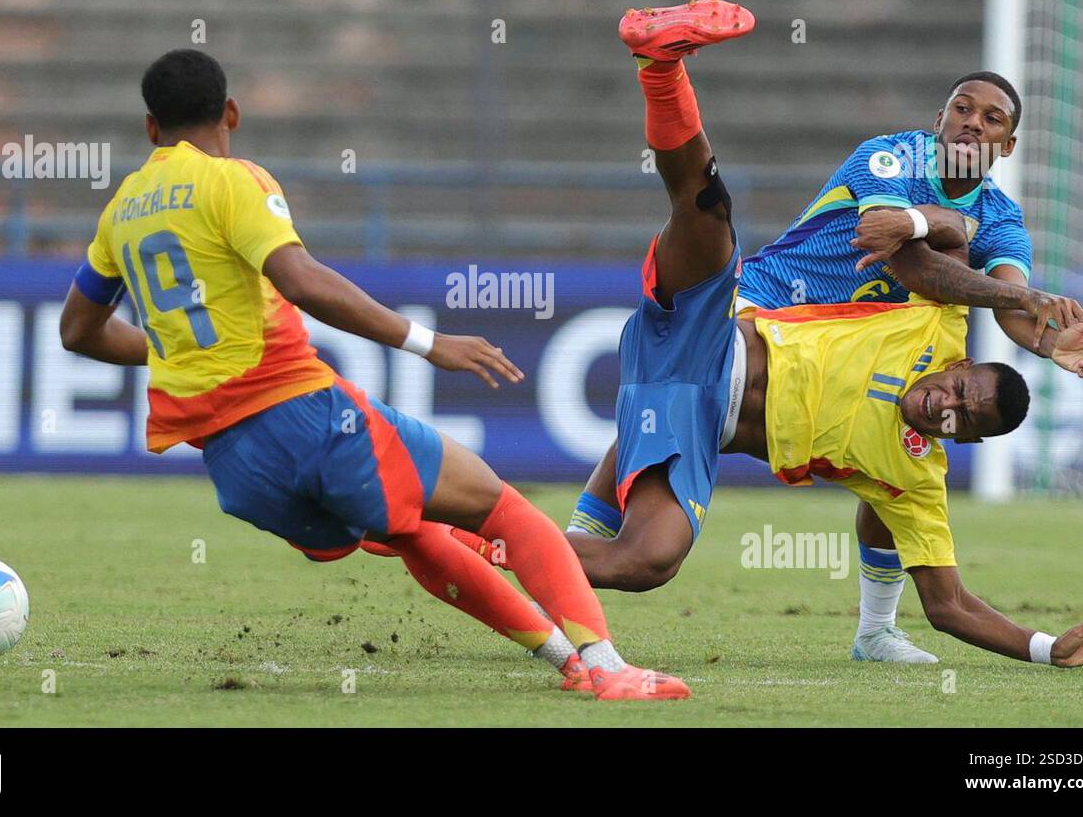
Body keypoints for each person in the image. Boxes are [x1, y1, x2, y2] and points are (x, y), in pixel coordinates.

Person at [458, 0, 1083, 668]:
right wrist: (975, 257)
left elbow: (1007, 303)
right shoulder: (893, 159)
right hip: (756, 308)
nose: (972, 124)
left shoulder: (996, 228)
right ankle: (662, 66)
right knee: (705, 209)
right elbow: (918, 265)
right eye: (963, 108)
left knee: (860, 474)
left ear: (1007, 146)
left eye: (991, 121)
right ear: (939, 118)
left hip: (739, 388)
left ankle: (518, 547)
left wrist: (1047, 336)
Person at [58, 48, 690, 700]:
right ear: (232, 114)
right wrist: (426, 341)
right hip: (303, 416)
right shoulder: (232, 181)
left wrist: (174, 348)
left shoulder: (123, 212)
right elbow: (302, 281)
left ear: (149, 127)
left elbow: (78, 330)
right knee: (504, 509)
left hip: (234, 468)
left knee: (411, 532)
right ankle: (609, 668)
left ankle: (567, 663)